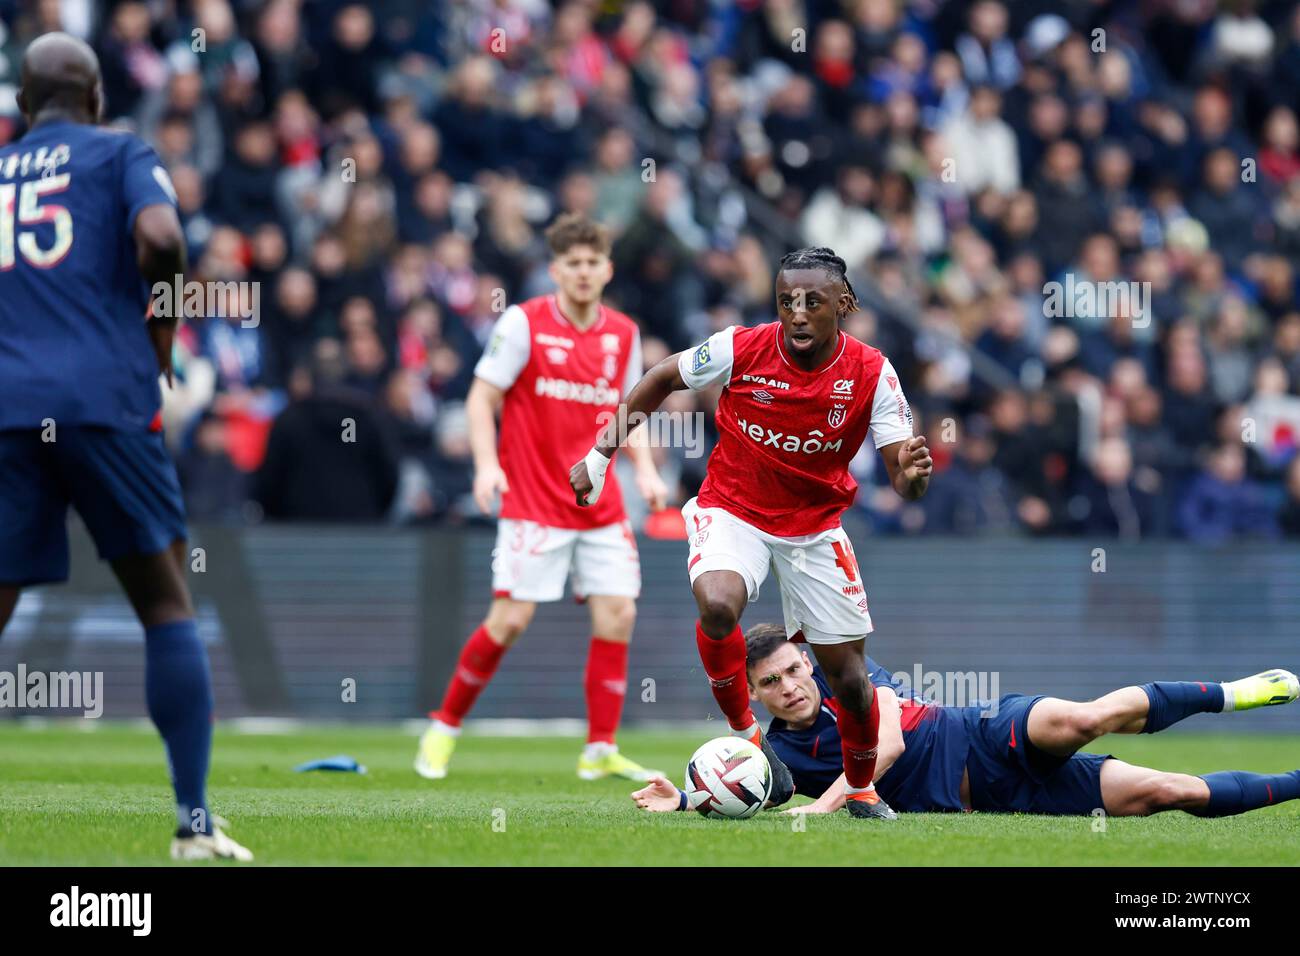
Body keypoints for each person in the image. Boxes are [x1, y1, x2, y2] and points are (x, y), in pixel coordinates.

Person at [0, 33, 250, 860]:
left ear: (25, 105)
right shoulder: (119, 152)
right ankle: (192, 825)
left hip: (8, 409)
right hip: (103, 398)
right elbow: (164, 241)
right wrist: (165, 330)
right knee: (164, 602)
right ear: (98, 96)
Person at [572, 247, 933, 819]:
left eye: (811, 302)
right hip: (733, 507)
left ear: (842, 304)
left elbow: (901, 475)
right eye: (785, 300)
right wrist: (599, 454)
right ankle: (748, 731)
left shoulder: (872, 372)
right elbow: (664, 375)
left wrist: (913, 477)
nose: (795, 313)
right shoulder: (742, 346)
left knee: (850, 680)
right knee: (717, 604)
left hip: (815, 529)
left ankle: (862, 789)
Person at [415, 214, 668, 781]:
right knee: (509, 620)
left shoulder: (623, 333)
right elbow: (482, 398)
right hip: (533, 500)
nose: (582, 273)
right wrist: (486, 466)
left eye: (591, 263)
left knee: (618, 613)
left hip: (599, 504)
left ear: (607, 269)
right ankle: (444, 725)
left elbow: (629, 412)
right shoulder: (524, 323)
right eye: (571, 264)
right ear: (555, 270)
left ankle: (599, 749)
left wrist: (647, 471)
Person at [632, 624, 1300, 819]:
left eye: (791, 670)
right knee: (1171, 792)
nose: (788, 687)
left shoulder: (850, 680)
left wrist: (830, 804)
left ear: (808, 663)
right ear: (756, 695)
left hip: (982, 736)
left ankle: (1233, 692)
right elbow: (751, 789)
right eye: (769, 684)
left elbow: (885, 742)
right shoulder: (782, 756)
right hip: (1008, 800)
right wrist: (688, 797)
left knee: (1092, 717)